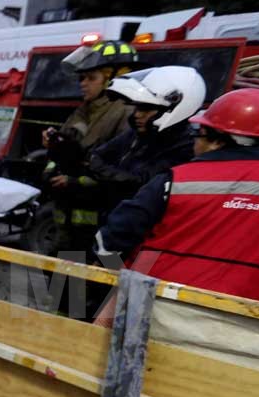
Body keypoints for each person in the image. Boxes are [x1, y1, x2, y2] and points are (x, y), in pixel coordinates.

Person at [97, 88, 259, 303]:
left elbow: (108, 242)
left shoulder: (175, 180)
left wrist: (124, 284)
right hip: (242, 318)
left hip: (155, 310)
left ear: (213, 138)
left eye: (197, 133)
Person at [49, 65, 202, 256]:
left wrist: (102, 170)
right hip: (108, 228)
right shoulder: (136, 134)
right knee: (70, 279)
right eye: (138, 108)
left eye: (146, 109)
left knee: (109, 283)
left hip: (140, 243)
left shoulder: (184, 146)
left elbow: (139, 181)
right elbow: (97, 156)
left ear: (174, 106)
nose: (137, 114)